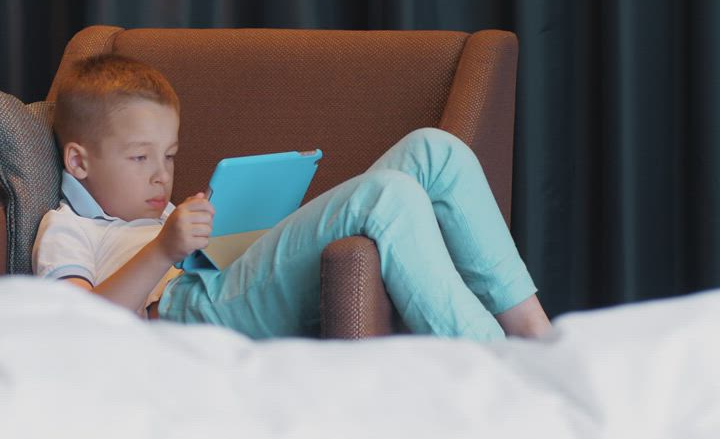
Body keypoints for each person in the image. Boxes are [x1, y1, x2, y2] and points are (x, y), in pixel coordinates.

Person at [31, 54, 552, 340]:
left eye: (169, 156)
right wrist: (165, 249)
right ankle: (491, 364)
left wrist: (226, 229)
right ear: (79, 162)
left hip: (225, 280)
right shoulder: (67, 228)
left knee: (435, 149)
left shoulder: (158, 213)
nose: (159, 177)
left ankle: (534, 333)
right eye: (140, 158)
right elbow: (79, 330)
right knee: (385, 196)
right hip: (185, 314)